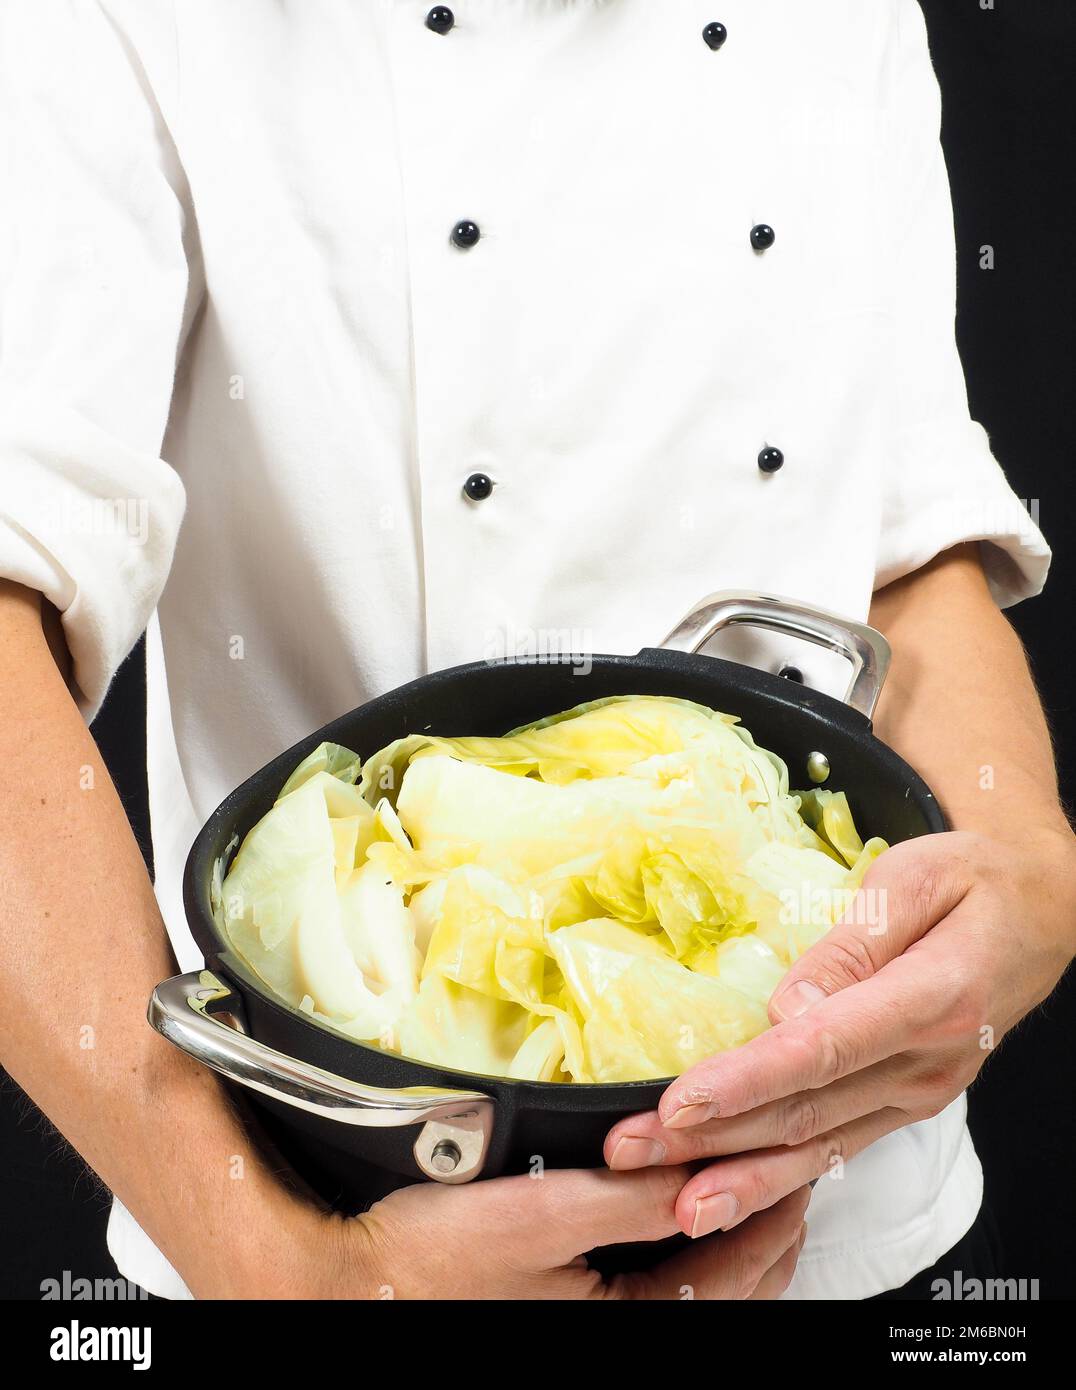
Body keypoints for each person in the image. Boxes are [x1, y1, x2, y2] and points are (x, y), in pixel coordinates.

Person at [1, 0, 1072, 1301]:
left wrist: (1028, 867)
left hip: (854, 1218)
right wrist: (276, 1261)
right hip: (339, 1208)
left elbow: (910, 553)